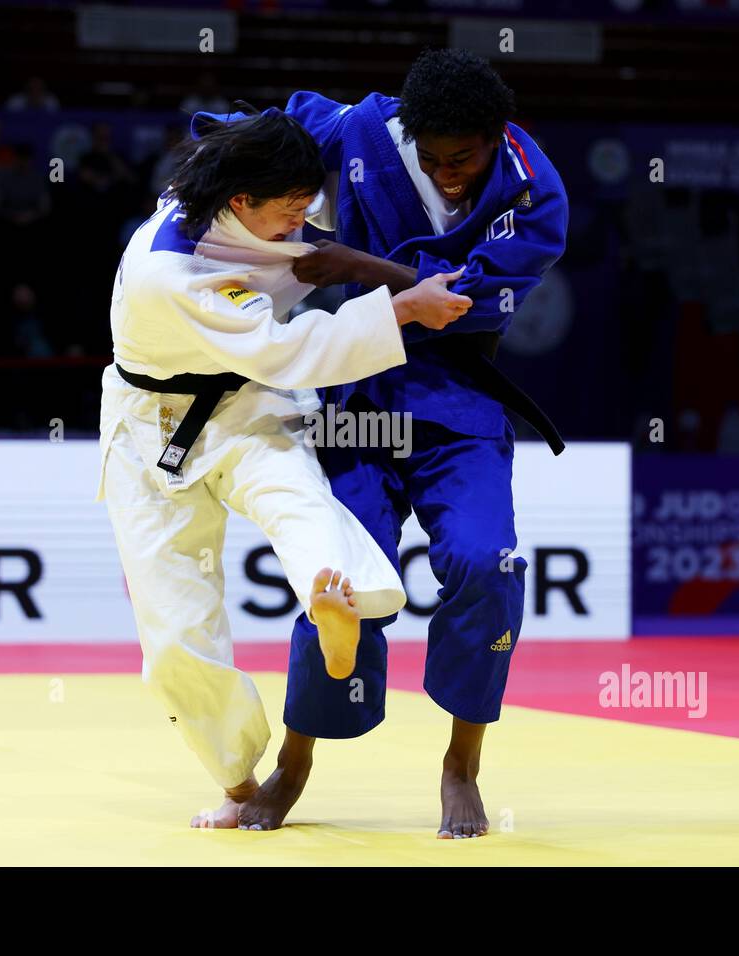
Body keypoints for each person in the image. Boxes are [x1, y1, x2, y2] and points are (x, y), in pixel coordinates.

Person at [192, 49, 570, 836]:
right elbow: (279, 134)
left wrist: (345, 262)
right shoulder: (366, 129)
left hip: (461, 401)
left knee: (485, 562)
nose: (445, 173)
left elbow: (451, 303)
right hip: (357, 390)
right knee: (337, 577)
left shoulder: (536, 193)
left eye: (461, 159)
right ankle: (294, 764)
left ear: (496, 137)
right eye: (429, 158)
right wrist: (218, 150)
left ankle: (461, 763)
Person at [96, 108, 471, 828]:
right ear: (241, 204)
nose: (302, 219)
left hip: (244, 406)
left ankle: (341, 607)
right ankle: (238, 782)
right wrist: (401, 311)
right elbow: (286, 349)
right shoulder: (168, 273)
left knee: (300, 503)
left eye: (307, 202)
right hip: (151, 428)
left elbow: (250, 144)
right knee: (176, 631)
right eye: (289, 210)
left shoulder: (240, 183)